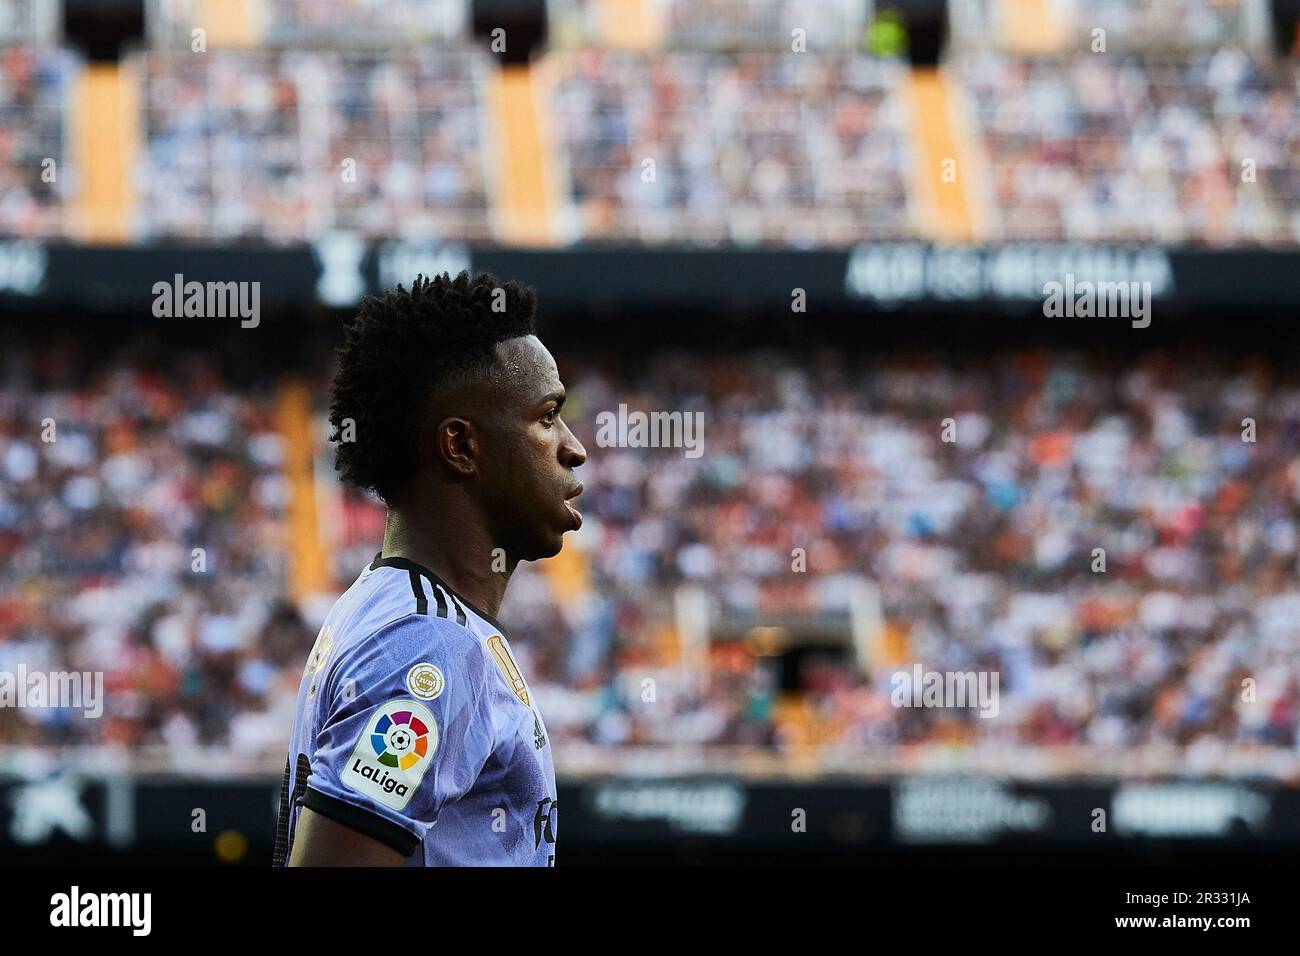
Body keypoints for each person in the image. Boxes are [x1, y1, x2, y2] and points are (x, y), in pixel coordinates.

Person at [274, 271, 586, 866]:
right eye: (547, 416)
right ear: (460, 447)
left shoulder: (404, 609)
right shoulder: (427, 643)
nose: (574, 446)